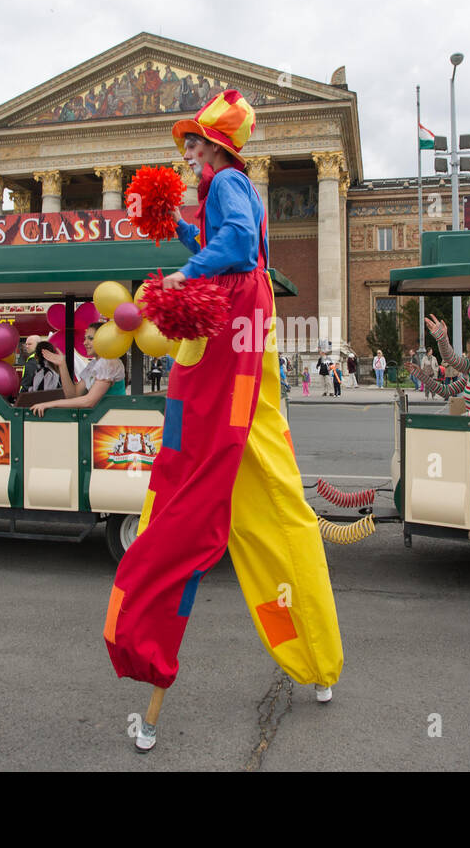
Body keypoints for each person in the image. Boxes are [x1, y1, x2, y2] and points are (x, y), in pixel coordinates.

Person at [104, 90, 342, 751]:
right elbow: (225, 241)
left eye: (191, 143)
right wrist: (176, 230)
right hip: (246, 325)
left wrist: (185, 274)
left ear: (213, 146)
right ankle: (316, 657)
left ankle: (150, 642)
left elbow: (234, 244)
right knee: (262, 485)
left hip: (231, 322)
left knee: (194, 476)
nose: (185, 153)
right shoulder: (224, 188)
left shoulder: (230, 181)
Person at [33, 323, 124, 413]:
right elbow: (73, 395)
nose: (85, 343)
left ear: (103, 340)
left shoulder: (108, 363)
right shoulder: (94, 365)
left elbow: (89, 401)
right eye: (85, 339)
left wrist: (50, 404)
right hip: (101, 417)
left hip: (113, 418)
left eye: (90, 338)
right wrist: (62, 365)